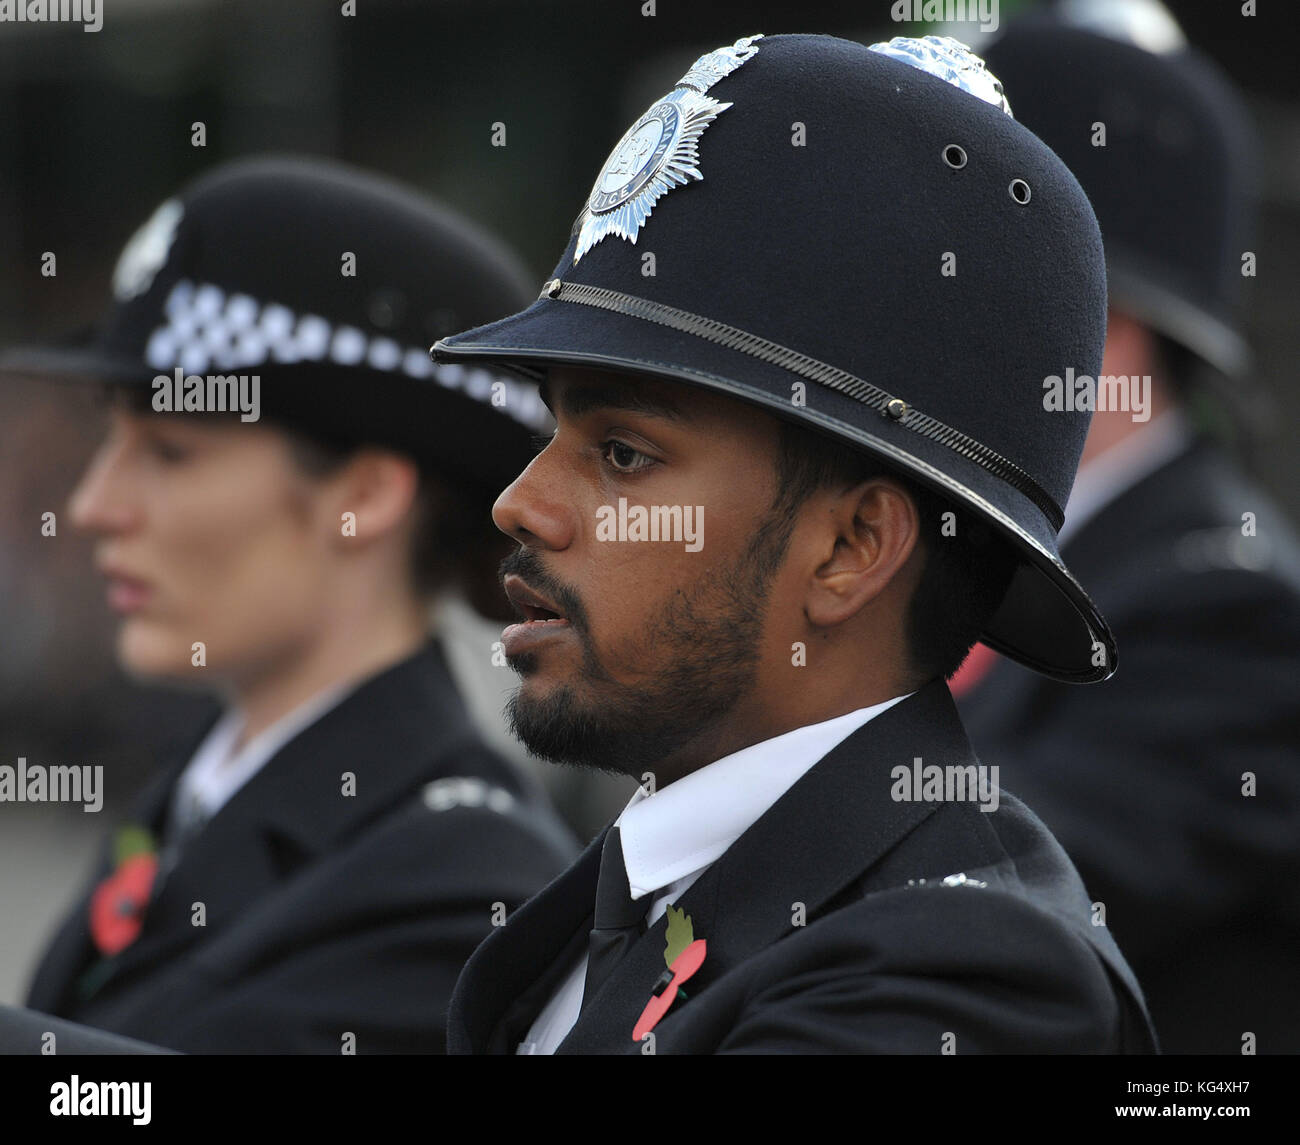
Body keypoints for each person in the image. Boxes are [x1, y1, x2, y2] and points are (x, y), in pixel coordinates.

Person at [430, 32, 1156, 1053]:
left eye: (624, 452)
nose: (520, 503)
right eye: (553, 429)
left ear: (851, 547)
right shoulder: (641, 894)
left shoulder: (960, 978)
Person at [1, 156, 576, 1053]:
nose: (92, 505)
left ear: (366, 494)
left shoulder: (461, 888)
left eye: (169, 451)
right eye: (110, 440)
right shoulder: (205, 788)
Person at [950, 2, 1300, 1054]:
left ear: (1091, 316)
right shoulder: (972, 545)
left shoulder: (1232, 614)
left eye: (952, 278)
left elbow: (985, 891)